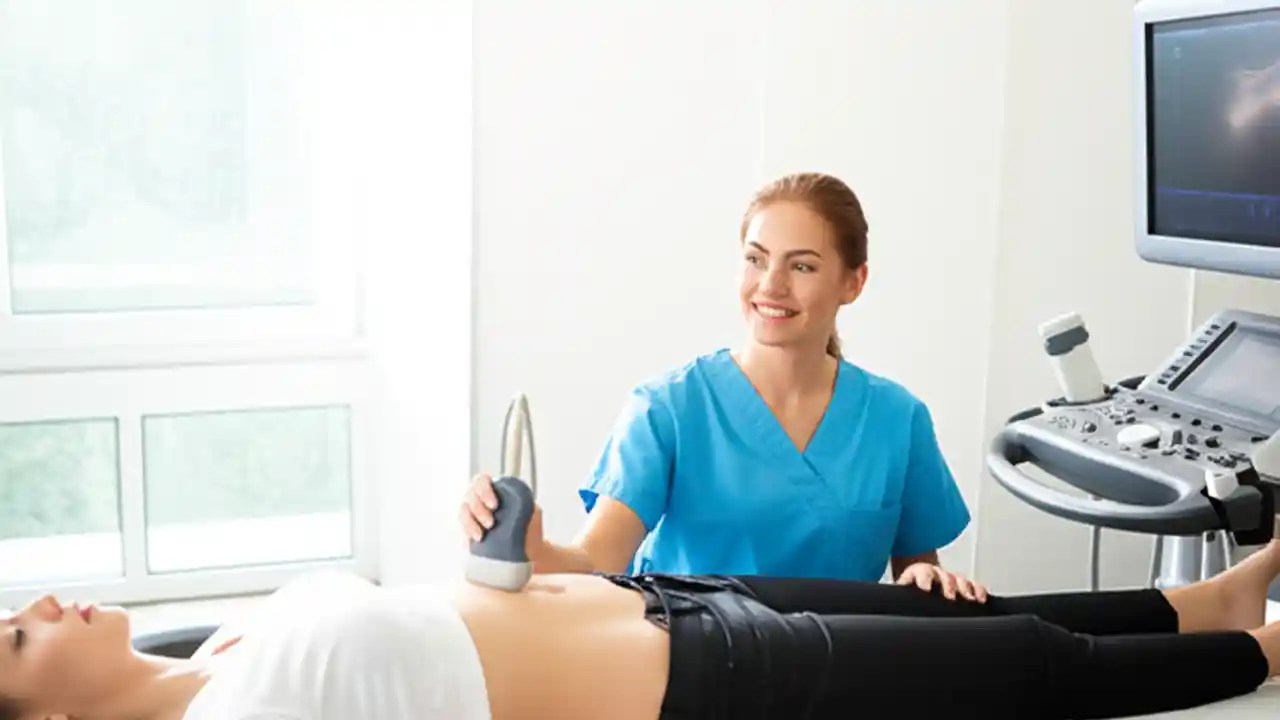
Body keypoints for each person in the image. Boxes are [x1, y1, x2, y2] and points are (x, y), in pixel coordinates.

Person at [7, 542, 1280, 719]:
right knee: (1023, 668)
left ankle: (1215, 599)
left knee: (984, 605)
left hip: (675, 593)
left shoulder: (208, 653)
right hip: (720, 674)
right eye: (17, 641)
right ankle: (1266, 648)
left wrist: (503, 555)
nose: (42, 606)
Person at [461, 172, 980, 599]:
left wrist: (927, 581)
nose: (770, 286)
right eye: (756, 259)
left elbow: (917, 576)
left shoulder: (896, 419)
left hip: (834, 676)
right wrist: (527, 546)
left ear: (854, 282)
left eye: (801, 266)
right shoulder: (669, 409)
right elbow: (597, 560)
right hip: (693, 672)